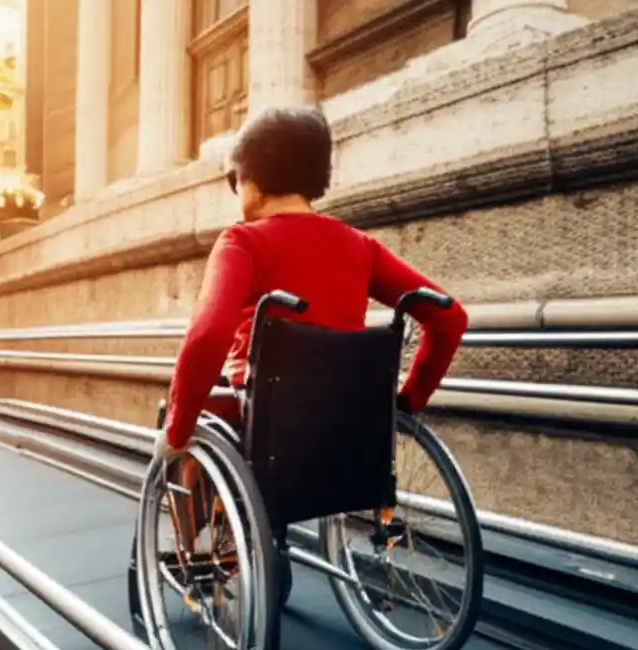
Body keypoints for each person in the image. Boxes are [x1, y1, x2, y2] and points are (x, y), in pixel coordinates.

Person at [154, 106, 469, 462]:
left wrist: (177, 431)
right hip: (347, 419)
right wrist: (407, 401)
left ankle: (208, 513)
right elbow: (450, 316)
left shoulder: (242, 242)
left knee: (180, 413)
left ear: (251, 182)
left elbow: (208, 336)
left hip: (268, 422)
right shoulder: (361, 246)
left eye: (234, 181)